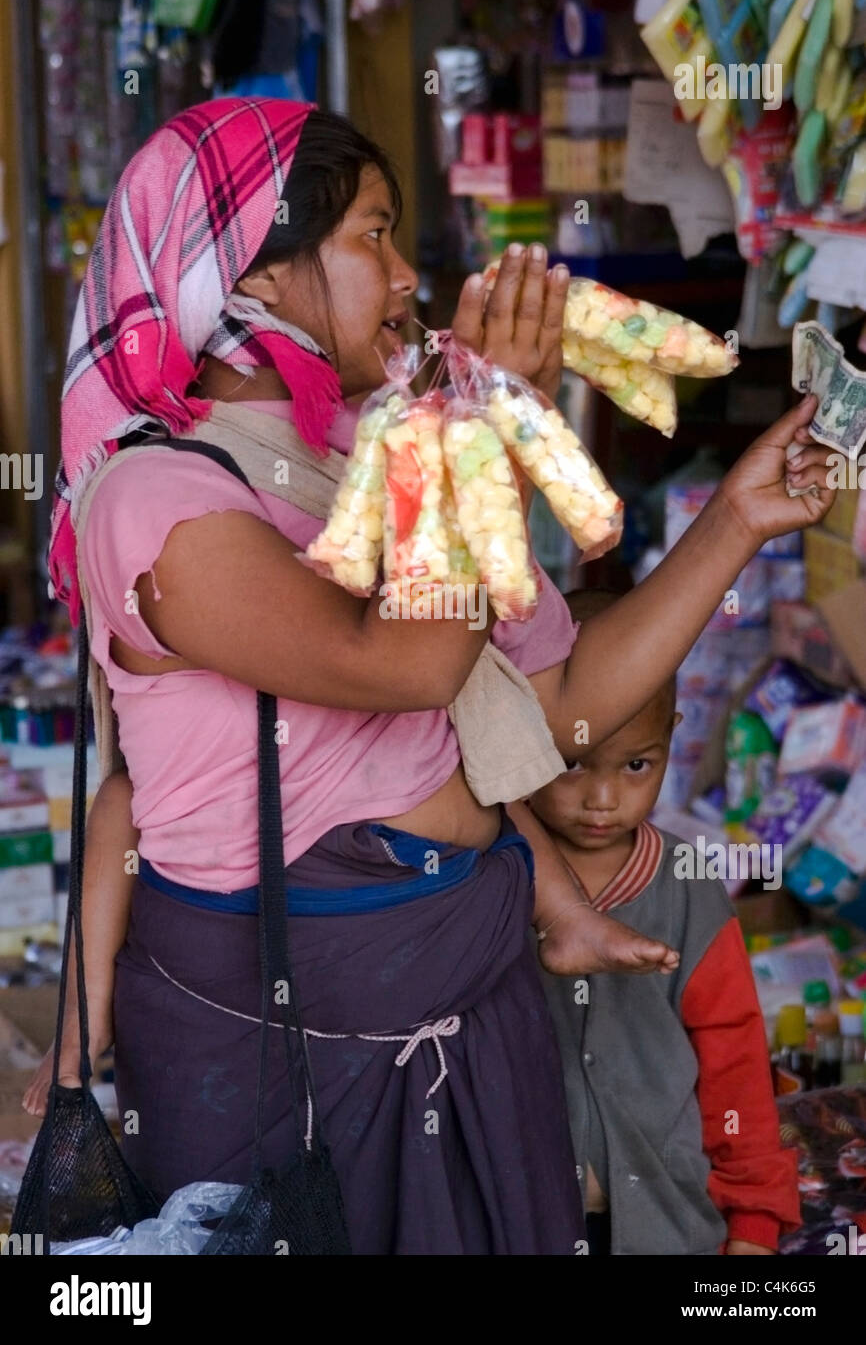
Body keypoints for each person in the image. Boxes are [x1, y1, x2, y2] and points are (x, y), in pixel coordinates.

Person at [28, 95, 832, 1255]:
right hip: (289, 1044)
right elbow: (403, 661)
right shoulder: (156, 499)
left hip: (471, 998)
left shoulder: (376, 451)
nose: (407, 276)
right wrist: (476, 431)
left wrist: (734, 525)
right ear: (251, 270)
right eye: (372, 234)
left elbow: (564, 714)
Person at [511, 591, 801, 1257]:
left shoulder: (691, 890)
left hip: (670, 1222)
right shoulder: (500, 874)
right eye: (572, 764)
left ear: (671, 737)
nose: (602, 799)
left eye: (636, 765)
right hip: (521, 1218)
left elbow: (736, 1063)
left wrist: (754, 1221)